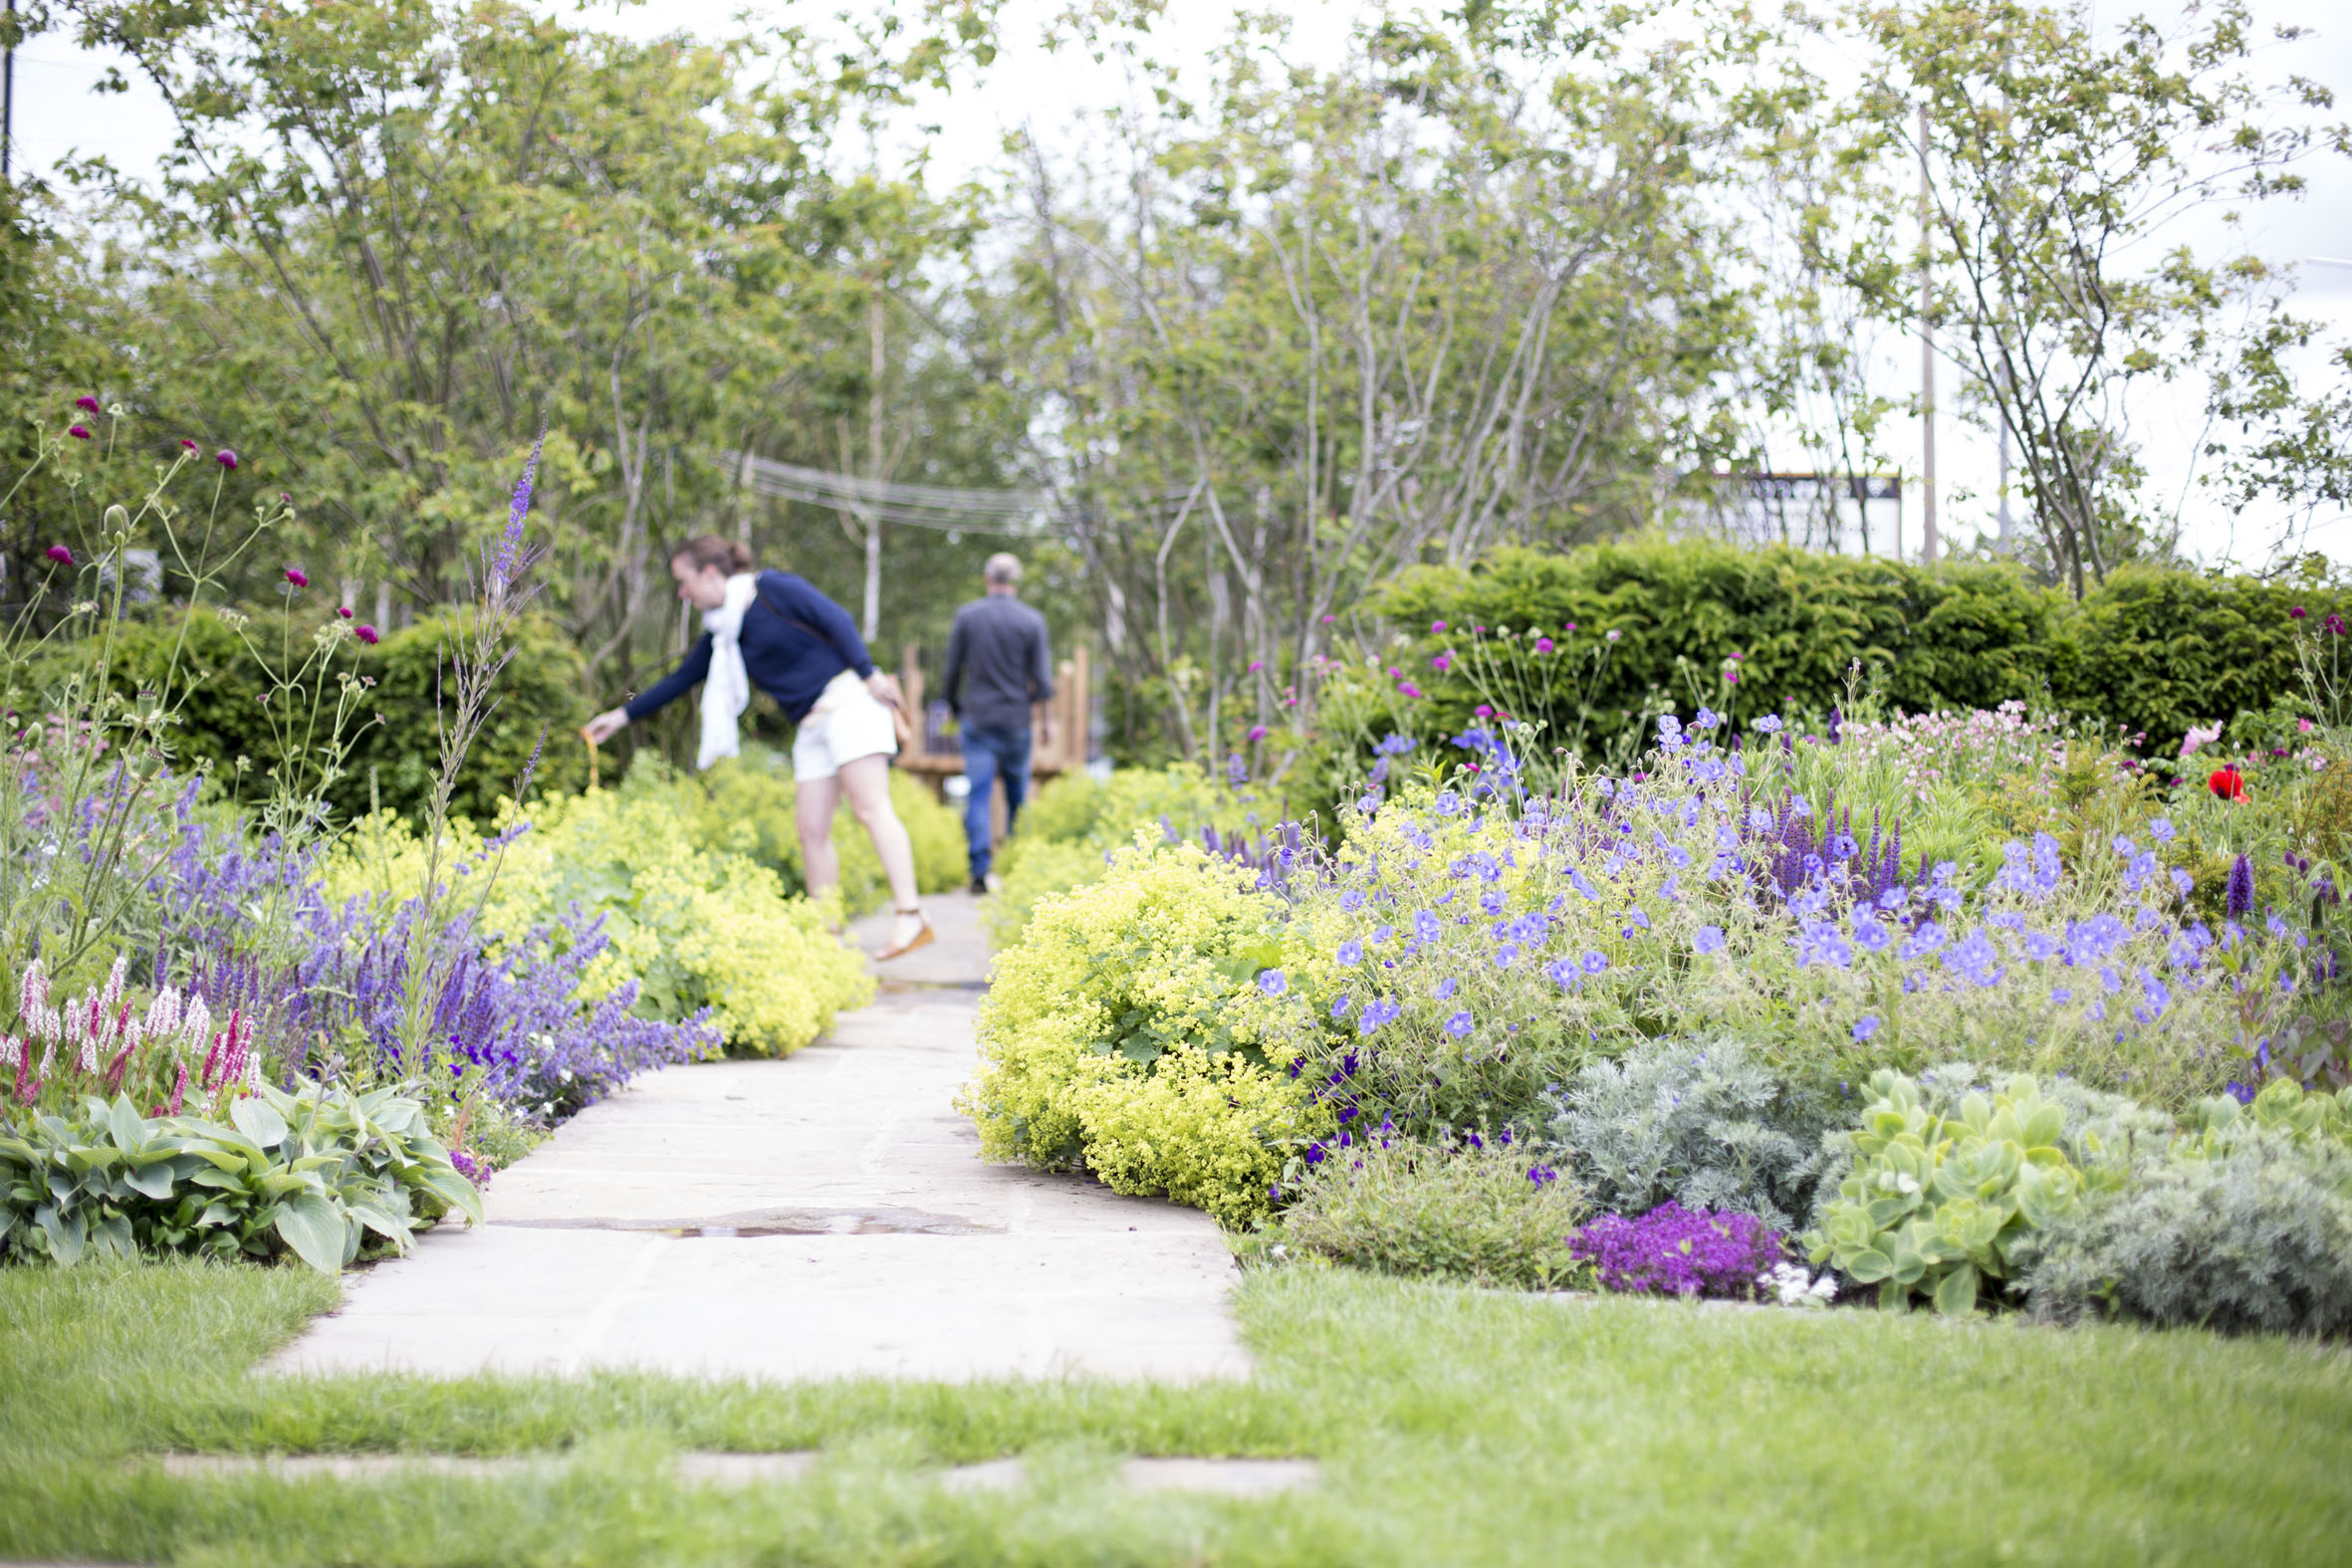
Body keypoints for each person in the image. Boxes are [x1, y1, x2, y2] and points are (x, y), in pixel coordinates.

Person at [582, 537, 933, 960]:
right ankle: (829, 941)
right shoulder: (723, 632)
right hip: (812, 723)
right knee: (811, 832)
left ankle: (911, 915)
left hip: (849, 700)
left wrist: (868, 672)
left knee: (870, 808)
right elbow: (680, 680)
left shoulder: (772, 589)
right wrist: (621, 716)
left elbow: (836, 618)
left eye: (684, 581)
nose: (682, 593)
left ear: (710, 573)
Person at [940, 552, 1055, 895]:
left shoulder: (968, 617)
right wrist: (1046, 721)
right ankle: (1019, 868)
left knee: (978, 793)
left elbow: (951, 671)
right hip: (1017, 720)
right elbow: (1043, 680)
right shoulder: (1031, 621)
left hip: (977, 718)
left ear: (988, 579)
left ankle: (979, 870)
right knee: (1018, 794)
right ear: (1014, 581)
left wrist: (954, 706)